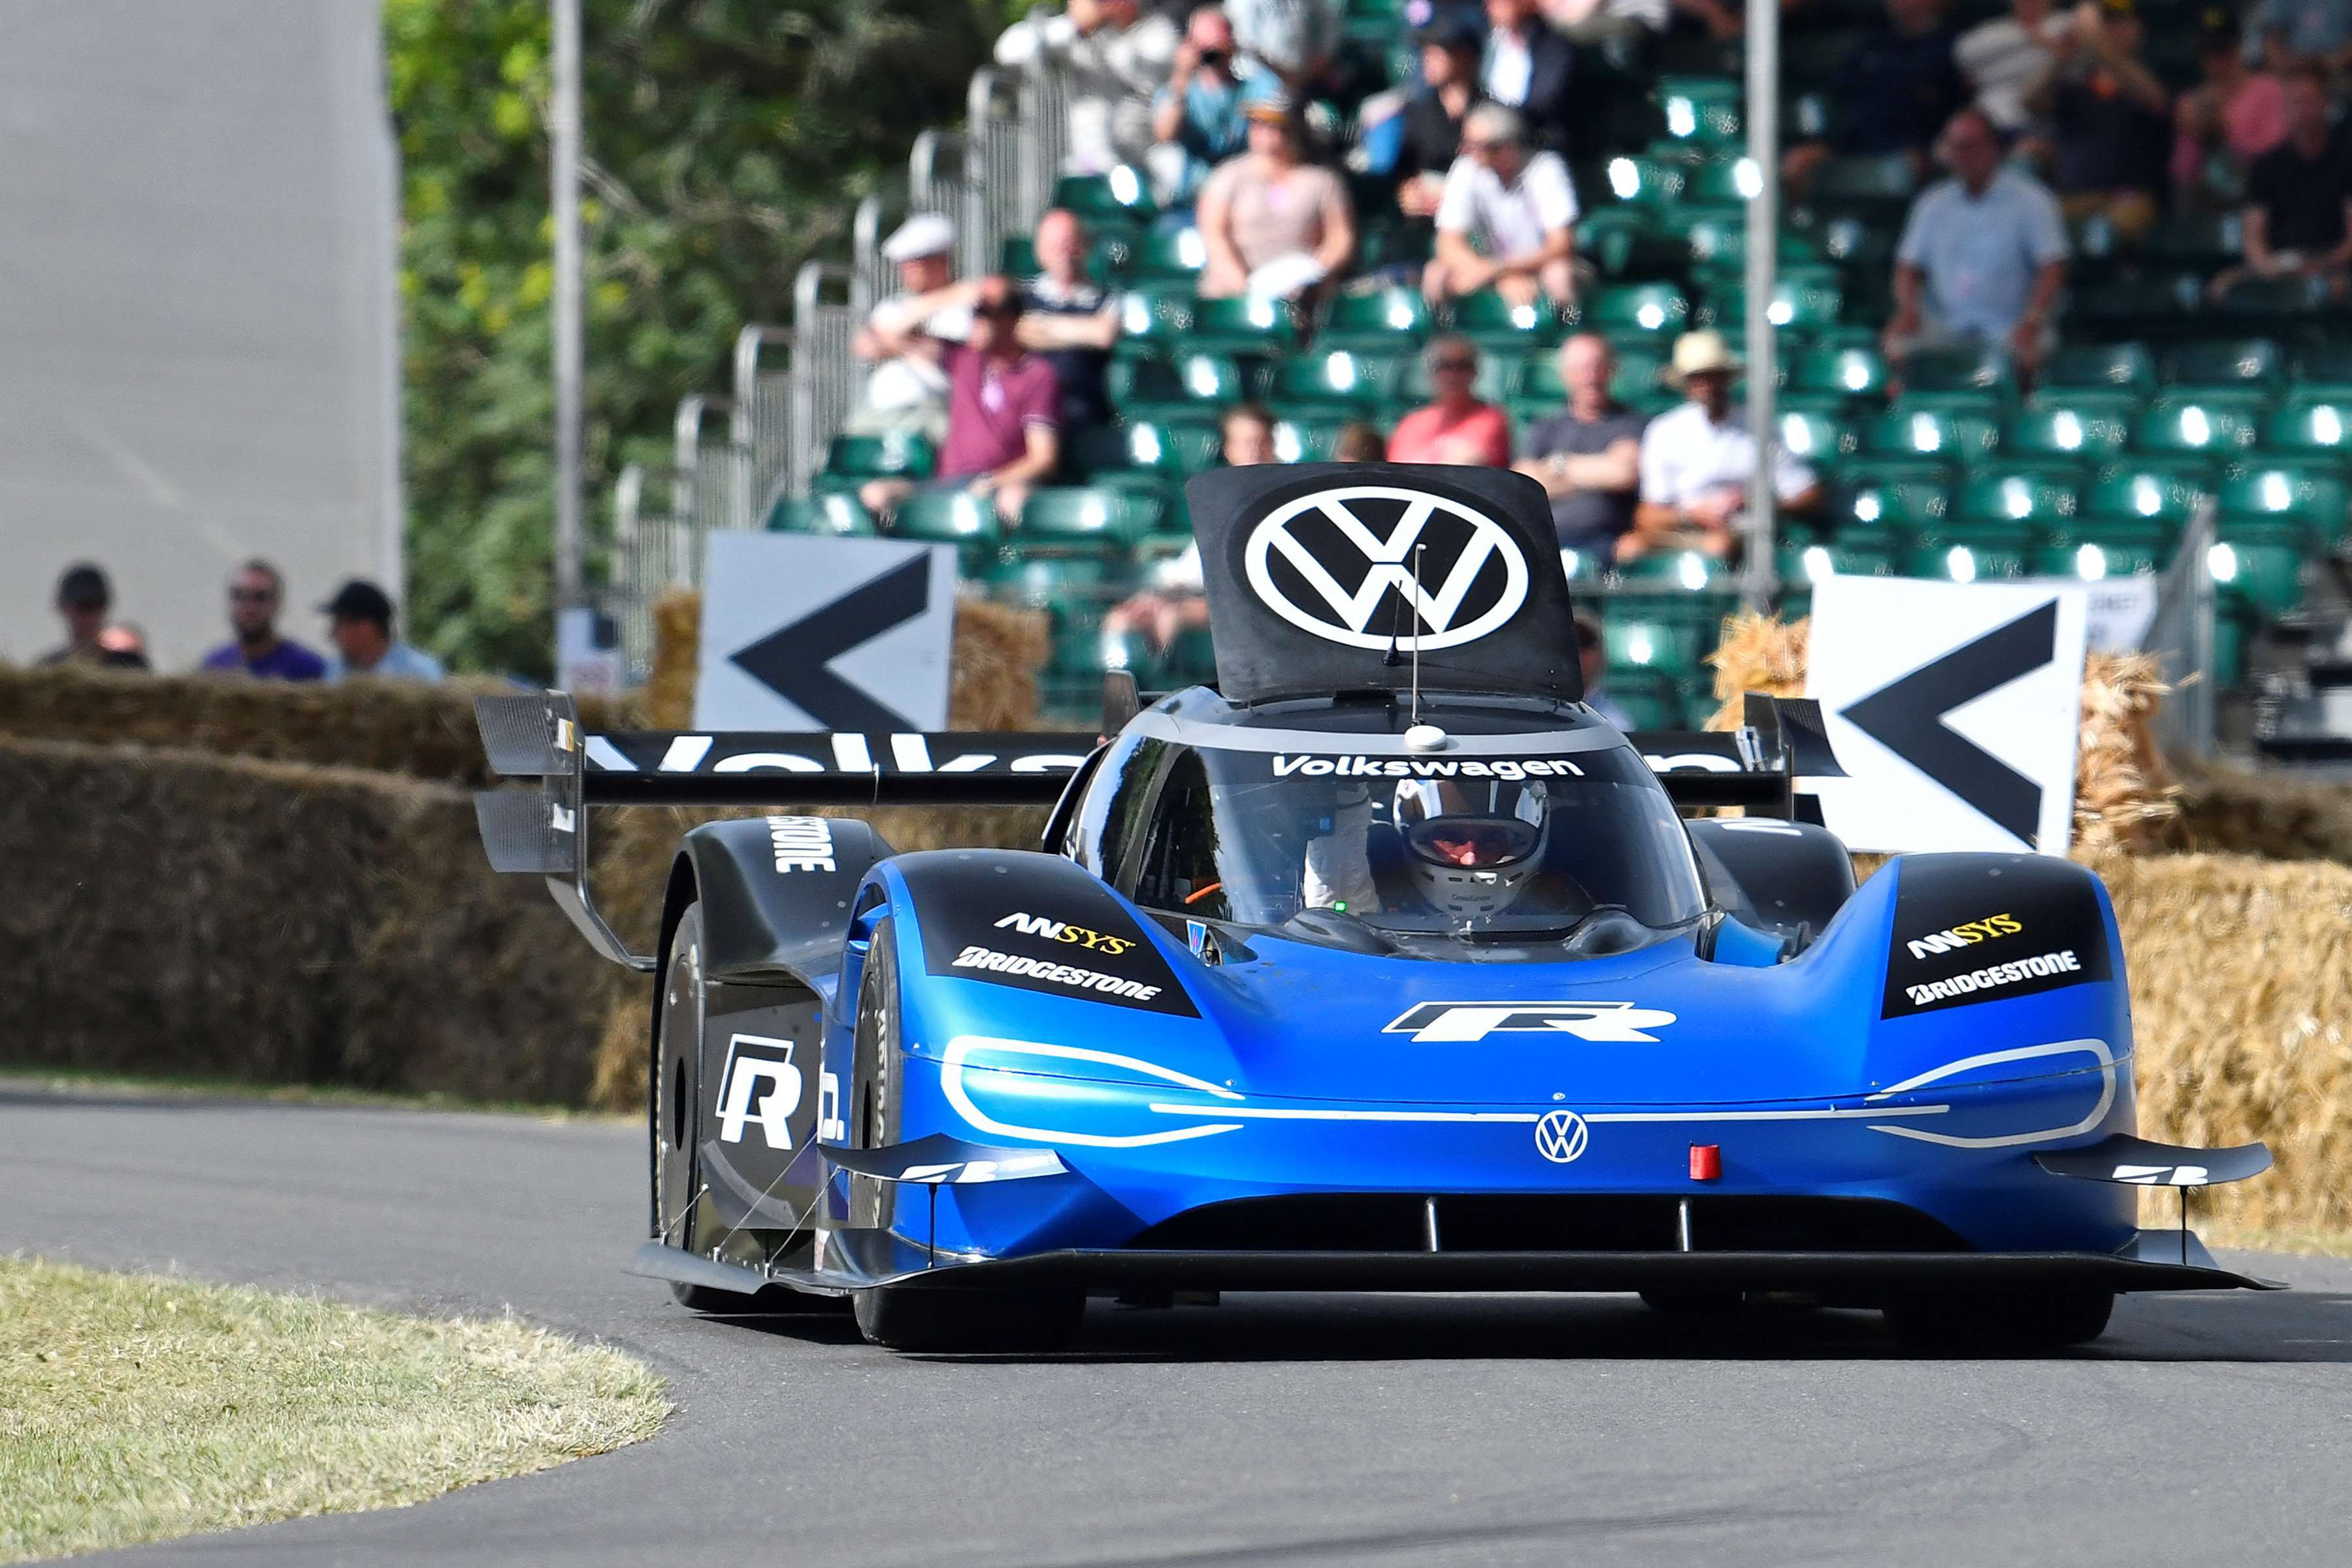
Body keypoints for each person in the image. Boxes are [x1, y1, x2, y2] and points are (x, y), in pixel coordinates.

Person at [857, 277, 1062, 525]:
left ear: (1011, 318)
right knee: (876, 495)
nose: (975, 320)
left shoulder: (1036, 374)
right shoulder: (964, 359)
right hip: (949, 484)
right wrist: (952, 296)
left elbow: (1043, 459)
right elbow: (886, 335)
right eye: (974, 312)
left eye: (984, 312)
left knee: (1014, 499)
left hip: (998, 487)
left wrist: (993, 481)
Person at [1882, 106, 2070, 376]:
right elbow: (1907, 267)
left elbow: (2053, 267)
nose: (1961, 155)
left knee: (2031, 352)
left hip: (2011, 325)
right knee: (1898, 344)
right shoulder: (1932, 203)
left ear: (1993, 148)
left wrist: (2033, 319)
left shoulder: (2032, 200)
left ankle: (2019, 413)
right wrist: (1908, 311)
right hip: (1947, 325)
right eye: (1954, 146)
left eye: (1970, 147)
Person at [1103, 403, 1274, 654]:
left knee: (1172, 618)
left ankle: (1167, 686)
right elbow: (1191, 571)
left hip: (1254, 608)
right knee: (1120, 619)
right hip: (1207, 600)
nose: (1255, 452)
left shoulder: (1283, 499)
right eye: (1246, 443)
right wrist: (1154, 597)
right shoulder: (1223, 502)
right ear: (1229, 449)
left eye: (1261, 442)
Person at [1634, 331, 1821, 560]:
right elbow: (1649, 515)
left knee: (1720, 545)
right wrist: (1693, 514)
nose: (1706, 385)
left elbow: (1807, 494)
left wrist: (1753, 502)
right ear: (1686, 383)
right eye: (1698, 378)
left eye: (1712, 376)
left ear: (1726, 378)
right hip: (1684, 530)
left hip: (1745, 530)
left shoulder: (1759, 426)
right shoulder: (1664, 430)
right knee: (1629, 548)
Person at [1782, 0, 1967, 192]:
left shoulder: (1953, 47)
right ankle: (1806, 221)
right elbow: (1840, 92)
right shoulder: (1874, 43)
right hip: (1854, 142)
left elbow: (1952, 109)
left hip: (1913, 147)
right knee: (1796, 162)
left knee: (1909, 169)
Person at [2208, 62, 2352, 298]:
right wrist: (2269, 267)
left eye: (2309, 100)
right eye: (2295, 101)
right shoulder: (2266, 166)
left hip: (2333, 264)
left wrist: (2319, 265)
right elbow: (2254, 235)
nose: (2303, 109)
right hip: (2281, 263)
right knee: (2222, 288)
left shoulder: (2347, 158)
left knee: (2337, 289)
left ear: (2325, 102)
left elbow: (2350, 241)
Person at [2040, 0, 2172, 248]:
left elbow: (2156, 99)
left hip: (2129, 198)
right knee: (2035, 226)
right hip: (2076, 198)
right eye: (2107, 22)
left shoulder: (2149, 73)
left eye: (2121, 21)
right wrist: (2061, 59)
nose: (2112, 29)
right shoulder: (2079, 84)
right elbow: (2030, 101)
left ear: (2139, 28)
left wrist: (2095, 42)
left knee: (2106, 232)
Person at [994, 0, 1180, 175]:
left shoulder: (1159, 31)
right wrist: (1073, 25)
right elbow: (1006, 52)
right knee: (1059, 211)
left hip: (1142, 167)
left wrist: (1107, 24)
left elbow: (1147, 77)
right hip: (1085, 168)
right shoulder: (1072, 32)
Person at [1423, 103, 1581, 308]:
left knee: (1559, 276)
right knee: (1435, 274)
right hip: (1485, 269)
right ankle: (1446, 338)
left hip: (1539, 267)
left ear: (1508, 148)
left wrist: (1501, 270)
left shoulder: (1546, 168)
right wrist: (1496, 276)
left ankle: (1564, 335)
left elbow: (1561, 246)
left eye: (1477, 146)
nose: (1466, 152)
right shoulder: (1465, 169)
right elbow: (1447, 244)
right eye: (1466, 144)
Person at [1196, 99, 1355, 302]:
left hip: (1303, 287)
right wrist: (1240, 284)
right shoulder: (1228, 176)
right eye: (1257, 124)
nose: (1263, 132)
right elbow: (1214, 234)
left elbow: (1340, 239)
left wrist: (1313, 275)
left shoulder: (1323, 181)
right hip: (1238, 286)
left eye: (1274, 126)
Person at [1514, 334, 1646, 561]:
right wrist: (1597, 470)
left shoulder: (1631, 423)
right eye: (1580, 369)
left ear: (1612, 370)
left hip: (1606, 542)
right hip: (1547, 540)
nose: (1590, 377)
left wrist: (1556, 467)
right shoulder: (1545, 427)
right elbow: (1524, 484)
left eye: (1597, 366)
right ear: (1565, 375)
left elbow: (1623, 474)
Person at [847, 213, 969, 440]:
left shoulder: (963, 308)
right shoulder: (894, 305)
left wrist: (891, 340)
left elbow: (948, 356)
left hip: (933, 413)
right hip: (879, 412)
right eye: (905, 264)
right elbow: (864, 346)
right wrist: (911, 342)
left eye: (916, 262)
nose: (907, 270)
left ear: (940, 261)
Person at [1023, 209, 1123, 432]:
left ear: (1085, 246)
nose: (1064, 252)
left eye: (1070, 243)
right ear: (1039, 251)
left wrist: (1043, 327)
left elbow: (1102, 335)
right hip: (1028, 410)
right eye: (1055, 245)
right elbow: (1020, 331)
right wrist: (1081, 333)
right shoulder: (1024, 295)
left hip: (1082, 411)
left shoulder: (1105, 299)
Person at [2172, 24, 2286, 211]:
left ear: (2238, 48)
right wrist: (2194, 136)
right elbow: (2183, 174)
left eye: (2222, 51)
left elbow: (2274, 158)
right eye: (2207, 53)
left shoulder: (2268, 89)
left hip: (2257, 197)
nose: (2215, 60)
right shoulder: (2192, 101)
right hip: (2207, 201)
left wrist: (2224, 130)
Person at [1386, 15, 1484, 224]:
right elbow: (1402, 173)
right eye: (1426, 51)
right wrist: (1406, 192)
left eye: (1439, 51)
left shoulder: (1491, 113)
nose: (1428, 58)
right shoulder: (1417, 112)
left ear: (1466, 57)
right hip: (1426, 223)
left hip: (1478, 221)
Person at [1149, 7, 1252, 201]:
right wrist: (1182, 77)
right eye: (1203, 46)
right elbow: (1165, 134)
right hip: (1196, 191)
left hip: (1244, 192)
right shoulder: (1177, 92)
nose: (1211, 54)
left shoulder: (1252, 89)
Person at [1388, 335, 1513, 465]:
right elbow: (1400, 468)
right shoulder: (1412, 423)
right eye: (1444, 365)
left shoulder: (1490, 419)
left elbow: (1463, 467)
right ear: (1430, 372)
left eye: (1463, 365)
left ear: (1475, 372)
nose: (1453, 374)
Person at [200, 560, 327, 681]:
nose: (249, 607)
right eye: (239, 595)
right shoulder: (214, 667)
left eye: (260, 597)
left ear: (277, 604)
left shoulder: (307, 669)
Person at [1954, 0, 2066, 137]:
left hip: (2039, 120)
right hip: (1989, 117)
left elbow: (2044, 63)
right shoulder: (1996, 28)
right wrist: (2032, 38)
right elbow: (1964, 52)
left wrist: (1988, 72)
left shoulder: (2064, 23)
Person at [1478, 0, 1577, 154]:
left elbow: (1544, 100)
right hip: (1493, 145)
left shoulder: (1553, 45)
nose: (1492, 7)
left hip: (1541, 144)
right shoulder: (1492, 43)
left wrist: (1506, 119)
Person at [320, 580, 445, 681]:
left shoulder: (420, 672)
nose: (332, 634)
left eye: (340, 624)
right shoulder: (335, 671)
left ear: (366, 627)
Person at [1226, 0, 1345, 106]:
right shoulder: (1243, 3)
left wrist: (1322, 58)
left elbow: (1330, 23)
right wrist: (1285, 75)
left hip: (1304, 82)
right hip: (1254, 80)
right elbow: (1245, 43)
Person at [37, 563, 150, 671]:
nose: (89, 617)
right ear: (62, 606)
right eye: (82, 607)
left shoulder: (131, 666)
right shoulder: (48, 669)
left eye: (97, 606)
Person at [2246, 0, 2352, 71]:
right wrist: (2299, 66)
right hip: (2293, 72)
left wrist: (2335, 62)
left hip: (2341, 71)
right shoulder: (2278, 3)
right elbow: (2271, 46)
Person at [1573, 610, 1634, 730]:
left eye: (1584, 643)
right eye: (1568, 643)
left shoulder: (1616, 725)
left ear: (1602, 655)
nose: (1576, 652)